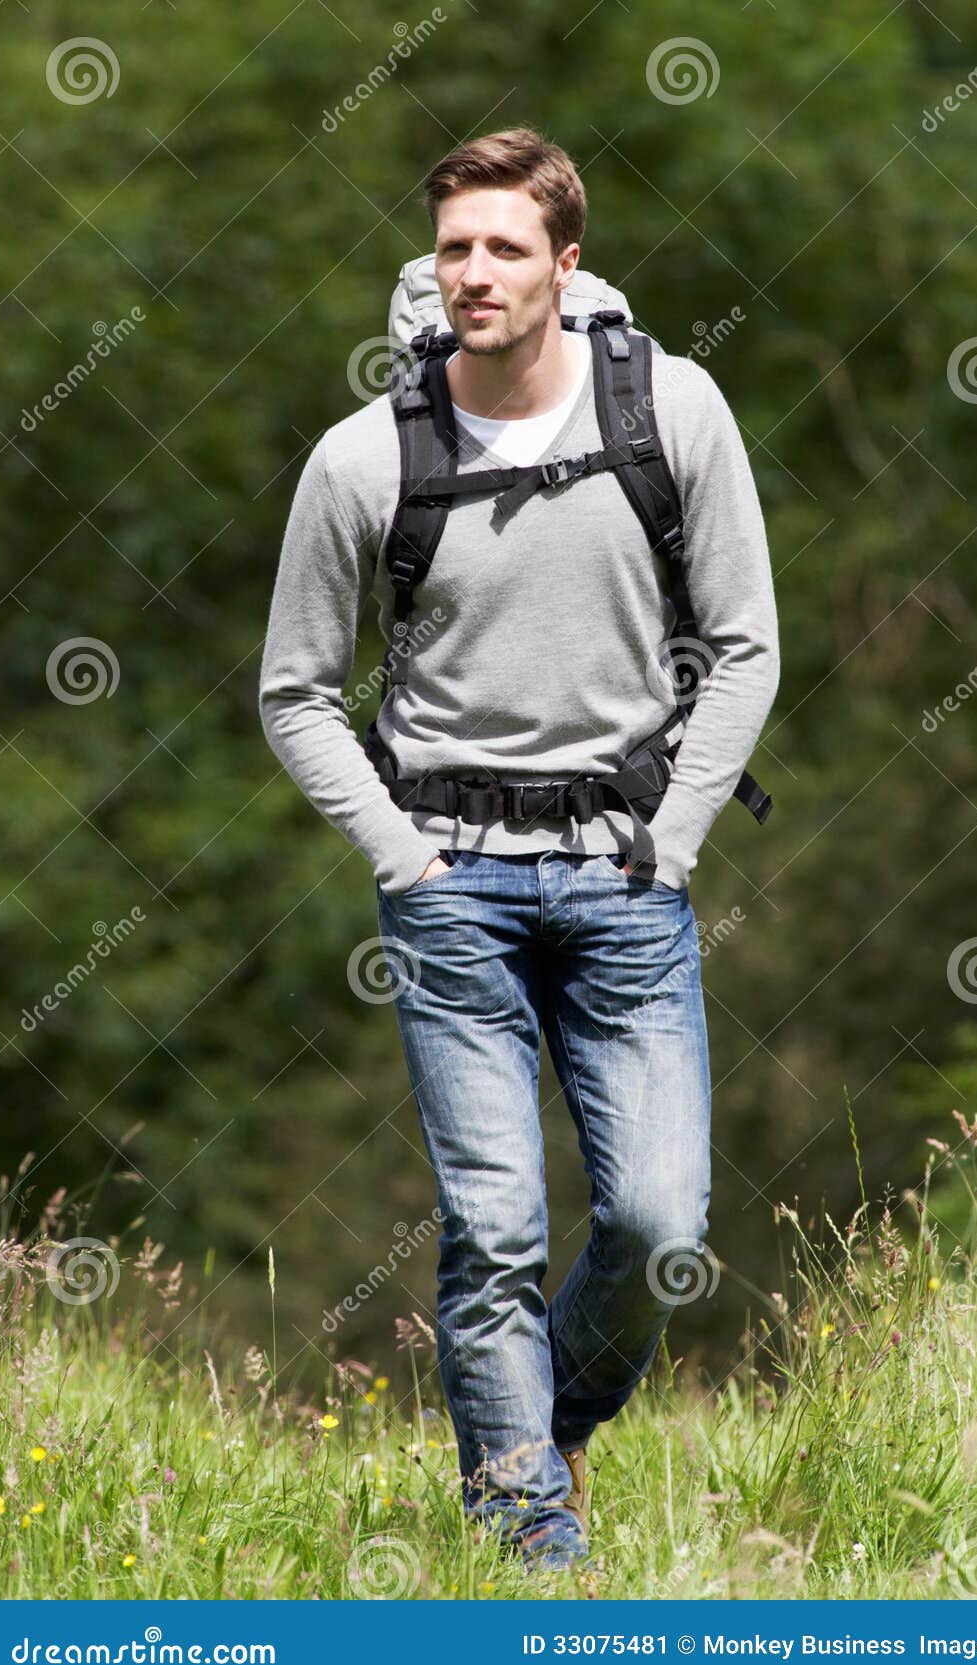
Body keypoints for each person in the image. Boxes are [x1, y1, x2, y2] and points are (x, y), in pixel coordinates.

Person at [259, 126, 780, 1572]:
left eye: (503, 246)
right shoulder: (365, 456)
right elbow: (293, 691)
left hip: (625, 876)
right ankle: (526, 1537)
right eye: (452, 247)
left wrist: (673, 843)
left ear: (567, 262)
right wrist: (404, 857)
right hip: (447, 884)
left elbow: (744, 650)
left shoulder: (671, 412)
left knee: (660, 1219)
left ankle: (550, 1419)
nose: (473, 273)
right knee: (492, 1228)